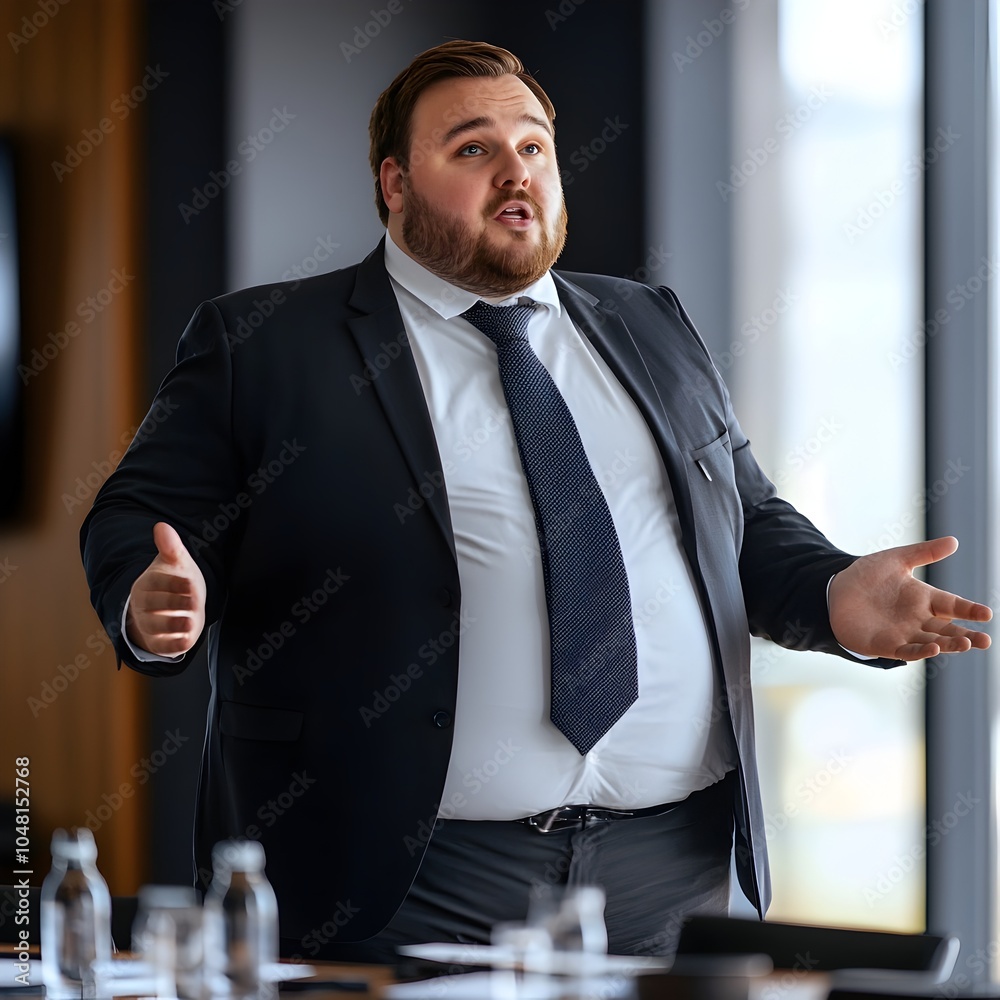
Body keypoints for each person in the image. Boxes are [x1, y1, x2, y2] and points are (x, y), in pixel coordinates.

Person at [80, 40, 991, 962]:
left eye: (534, 145)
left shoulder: (648, 322)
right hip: (403, 878)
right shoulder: (269, 343)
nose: (515, 170)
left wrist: (833, 594)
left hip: (673, 867)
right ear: (395, 184)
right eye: (473, 149)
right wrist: (145, 600)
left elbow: (741, 525)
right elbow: (135, 515)